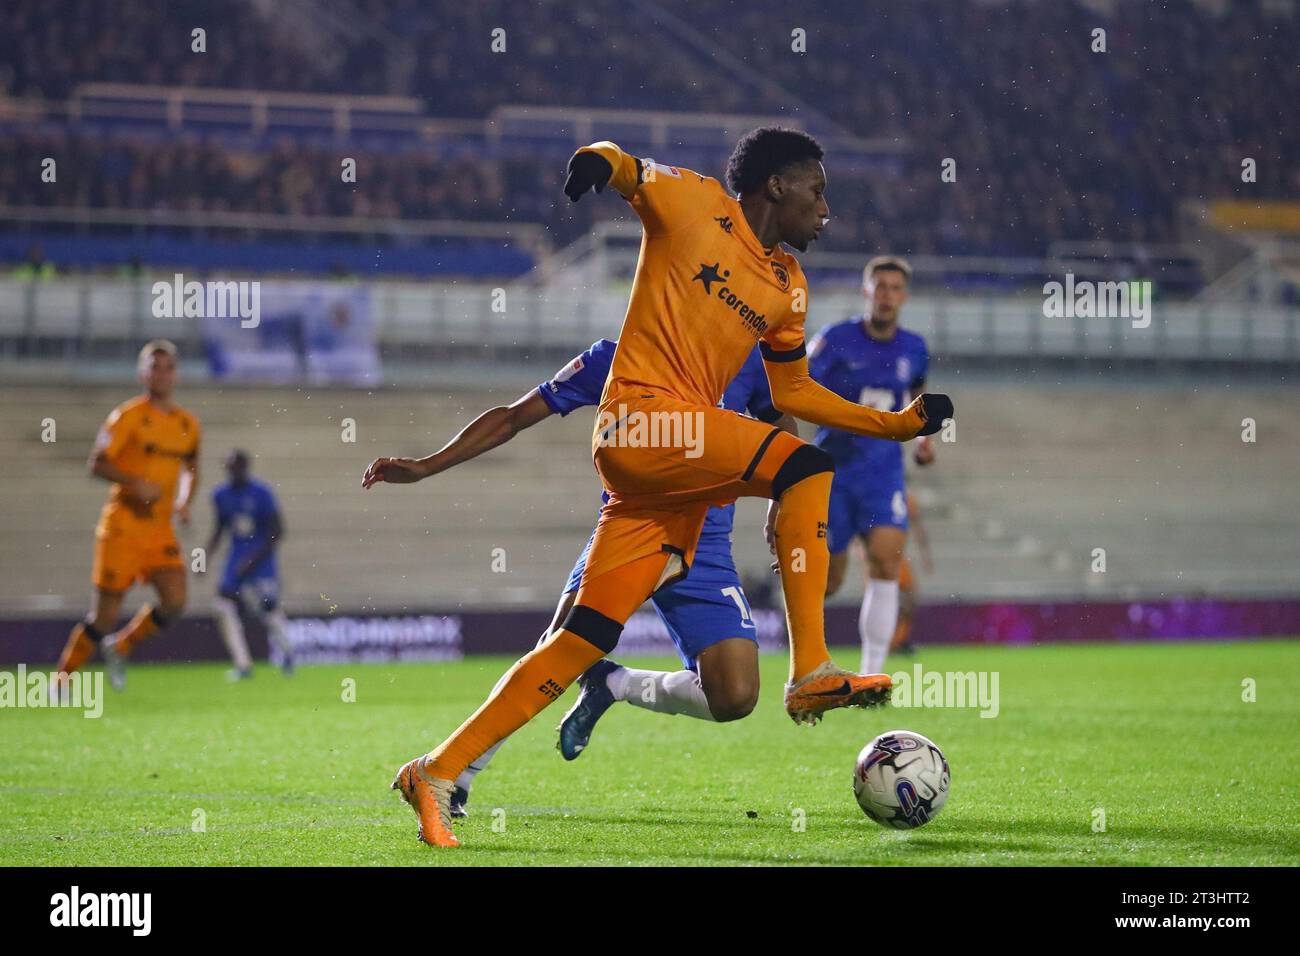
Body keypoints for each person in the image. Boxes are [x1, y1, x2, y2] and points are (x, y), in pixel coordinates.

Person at [385, 127, 952, 847]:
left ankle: (435, 771)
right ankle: (810, 667)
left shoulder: (787, 287)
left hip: (673, 493)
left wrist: (895, 427)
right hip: (639, 426)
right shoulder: (695, 203)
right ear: (777, 185)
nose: (827, 208)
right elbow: (626, 168)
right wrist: (597, 162)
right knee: (805, 468)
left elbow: (796, 390)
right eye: (818, 189)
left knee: (580, 641)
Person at [365, 339, 794, 816]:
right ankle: (458, 772)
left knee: (735, 696)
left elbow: (782, 424)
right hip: (632, 530)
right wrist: (428, 465)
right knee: (557, 647)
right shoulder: (616, 355)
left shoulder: (746, 358)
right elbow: (513, 415)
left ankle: (615, 685)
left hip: (708, 544)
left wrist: (781, 499)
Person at [810, 256, 936, 673]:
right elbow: (797, 387)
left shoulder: (914, 348)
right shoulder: (834, 340)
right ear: (865, 291)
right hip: (833, 473)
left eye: (894, 289)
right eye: (879, 287)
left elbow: (919, 402)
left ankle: (872, 675)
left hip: (883, 474)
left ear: (905, 296)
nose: (886, 296)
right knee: (827, 581)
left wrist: (924, 440)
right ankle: (808, 666)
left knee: (886, 564)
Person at [55, 340, 200, 691]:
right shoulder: (127, 417)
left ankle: (121, 646)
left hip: (159, 529)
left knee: (176, 599)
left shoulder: (187, 424)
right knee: (103, 616)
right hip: (122, 526)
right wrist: (136, 483)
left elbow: (192, 468)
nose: (161, 374)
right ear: (142, 373)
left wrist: (183, 501)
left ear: (175, 374)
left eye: (167, 367)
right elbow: (97, 463)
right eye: (154, 366)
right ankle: (62, 679)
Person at [207, 450, 293, 679]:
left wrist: (253, 560)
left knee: (267, 610)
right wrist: (206, 555)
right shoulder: (220, 495)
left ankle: (287, 653)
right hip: (235, 562)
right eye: (229, 467)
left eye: (236, 467)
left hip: (261, 562)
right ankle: (243, 664)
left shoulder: (262, 493)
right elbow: (220, 527)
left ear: (246, 467)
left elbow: (277, 532)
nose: (232, 472)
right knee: (223, 606)